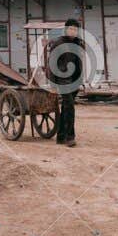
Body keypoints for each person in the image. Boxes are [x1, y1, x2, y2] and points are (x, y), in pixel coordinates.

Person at [48, 18, 85, 146]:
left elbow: (79, 62)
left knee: (65, 108)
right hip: (62, 80)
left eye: (75, 29)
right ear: (66, 29)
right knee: (70, 107)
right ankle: (70, 137)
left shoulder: (78, 43)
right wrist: (53, 85)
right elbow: (51, 64)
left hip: (75, 81)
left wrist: (80, 80)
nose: (73, 31)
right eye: (71, 29)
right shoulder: (58, 43)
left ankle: (60, 137)